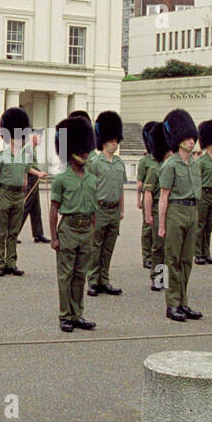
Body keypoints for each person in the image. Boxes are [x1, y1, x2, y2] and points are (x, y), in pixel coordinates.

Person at [50, 115, 98, 332]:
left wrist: (93, 232)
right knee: (66, 275)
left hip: (86, 229)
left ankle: (78, 314)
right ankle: (65, 315)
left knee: (81, 274)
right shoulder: (62, 179)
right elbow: (53, 209)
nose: (85, 153)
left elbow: (94, 209)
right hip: (68, 228)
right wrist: (54, 236)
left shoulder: (91, 179)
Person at [157, 108, 202, 322]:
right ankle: (172, 303)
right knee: (172, 260)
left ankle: (184, 301)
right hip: (175, 211)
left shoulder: (194, 165)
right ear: (178, 140)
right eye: (187, 138)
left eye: (193, 138)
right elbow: (163, 196)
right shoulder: (170, 165)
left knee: (186, 260)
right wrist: (162, 225)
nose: (192, 141)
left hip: (192, 211)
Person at [86, 110, 126, 297]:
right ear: (103, 141)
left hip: (114, 209)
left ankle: (104, 279)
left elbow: (121, 189)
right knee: (96, 246)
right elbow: (89, 188)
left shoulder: (119, 163)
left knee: (108, 248)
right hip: (99, 209)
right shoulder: (95, 162)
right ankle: (93, 280)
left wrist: (122, 210)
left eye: (116, 141)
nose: (114, 144)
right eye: (111, 141)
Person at [0, 106, 31, 277]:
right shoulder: (0, 155)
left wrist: (24, 194)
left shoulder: (25, 156)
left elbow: (25, 177)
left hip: (17, 196)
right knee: (0, 231)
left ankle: (11, 262)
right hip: (4, 194)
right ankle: (0, 263)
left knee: (14, 232)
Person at [142, 121, 170, 293]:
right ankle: (157, 277)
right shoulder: (155, 168)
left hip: (172, 211)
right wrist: (148, 214)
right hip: (157, 210)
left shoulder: (174, 165)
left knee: (170, 247)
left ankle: (166, 277)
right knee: (159, 246)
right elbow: (148, 193)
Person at [194, 119, 212, 265]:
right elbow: (196, 181)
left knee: (209, 226)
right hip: (203, 195)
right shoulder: (200, 162)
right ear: (207, 144)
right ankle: (198, 253)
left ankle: (207, 252)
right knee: (200, 225)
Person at [16, 128, 51, 244]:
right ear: (33, 136)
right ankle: (13, 233)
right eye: (39, 137)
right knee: (25, 207)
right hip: (30, 180)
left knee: (36, 209)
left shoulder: (32, 149)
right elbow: (26, 166)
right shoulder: (28, 149)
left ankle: (38, 234)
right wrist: (39, 173)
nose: (41, 139)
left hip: (34, 180)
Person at [135, 121, 158, 270]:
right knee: (148, 228)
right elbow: (139, 183)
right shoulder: (145, 161)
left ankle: (157, 261)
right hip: (149, 199)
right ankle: (147, 257)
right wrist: (139, 200)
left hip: (161, 200)